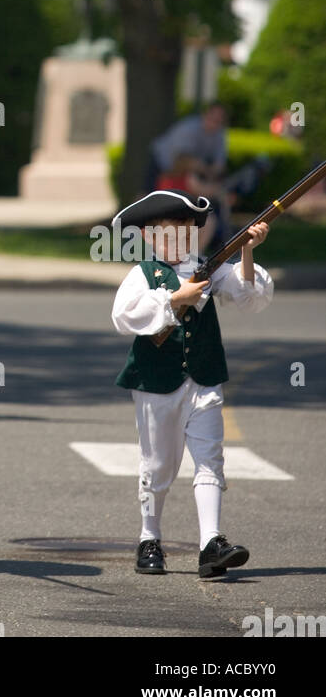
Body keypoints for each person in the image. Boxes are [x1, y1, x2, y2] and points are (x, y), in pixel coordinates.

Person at [111, 189, 273, 579]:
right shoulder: (142, 274)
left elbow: (248, 295)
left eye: (187, 229)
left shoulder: (209, 267)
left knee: (210, 459)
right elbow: (124, 316)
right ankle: (149, 538)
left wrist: (248, 250)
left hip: (204, 378)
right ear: (149, 236)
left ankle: (211, 543)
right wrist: (174, 299)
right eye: (169, 231)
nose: (180, 238)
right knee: (158, 465)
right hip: (155, 382)